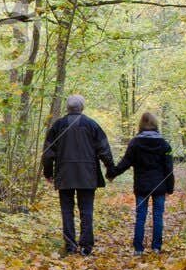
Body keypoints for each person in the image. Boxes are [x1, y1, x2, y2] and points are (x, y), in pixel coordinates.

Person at [41, 95, 114, 256]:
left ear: (68, 108)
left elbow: (47, 153)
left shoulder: (58, 126)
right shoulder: (92, 125)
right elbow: (104, 149)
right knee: (86, 210)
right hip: (87, 175)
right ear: (82, 107)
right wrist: (110, 169)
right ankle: (86, 247)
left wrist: (48, 172)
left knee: (67, 211)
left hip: (64, 174)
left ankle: (70, 246)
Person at [110, 111, 175, 253]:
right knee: (158, 216)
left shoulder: (135, 143)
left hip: (142, 186)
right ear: (155, 125)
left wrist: (112, 173)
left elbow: (125, 163)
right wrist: (170, 188)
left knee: (141, 216)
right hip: (159, 186)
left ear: (141, 125)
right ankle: (156, 248)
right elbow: (169, 168)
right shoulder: (164, 145)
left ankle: (138, 249)